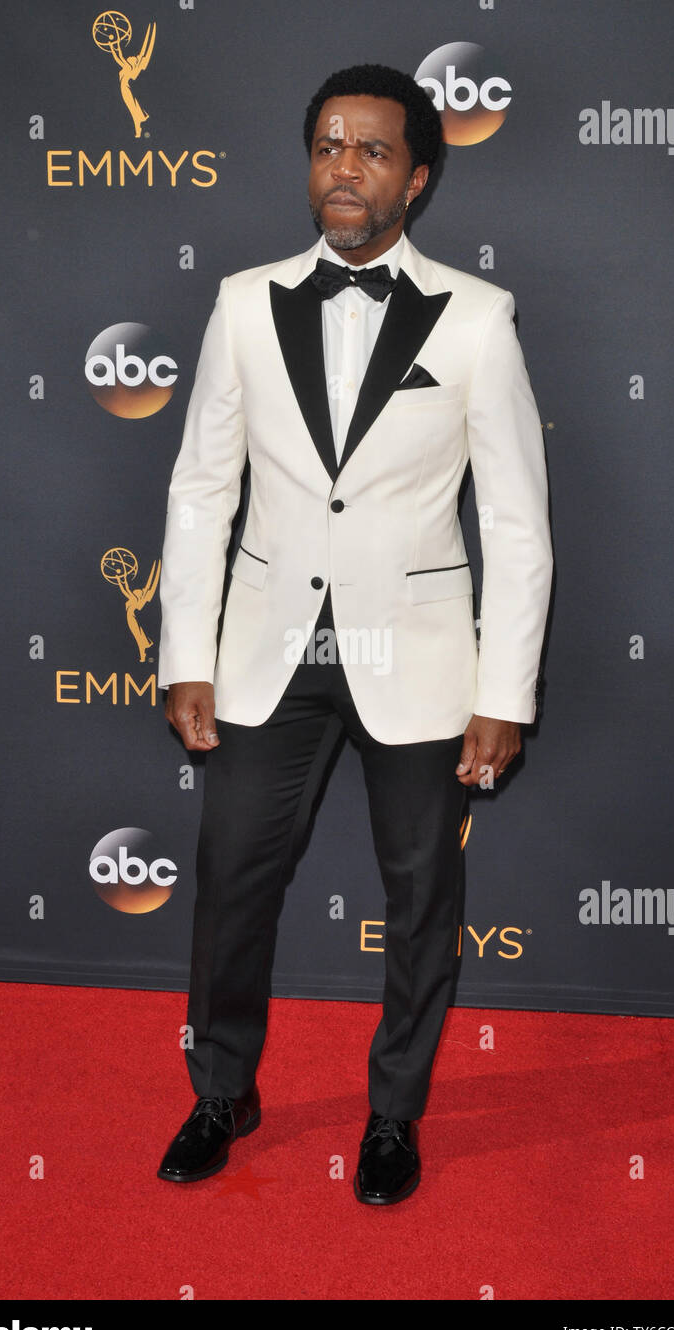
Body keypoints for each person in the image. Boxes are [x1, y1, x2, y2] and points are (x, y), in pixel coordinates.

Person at [155, 63, 552, 1205]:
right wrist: (185, 653)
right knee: (231, 879)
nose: (345, 165)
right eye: (329, 144)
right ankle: (221, 1090)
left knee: (422, 892)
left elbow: (519, 524)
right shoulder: (240, 302)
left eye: (373, 150)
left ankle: (393, 1113)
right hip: (266, 650)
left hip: (419, 654)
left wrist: (504, 692)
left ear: (416, 180)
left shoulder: (477, 321)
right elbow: (200, 491)